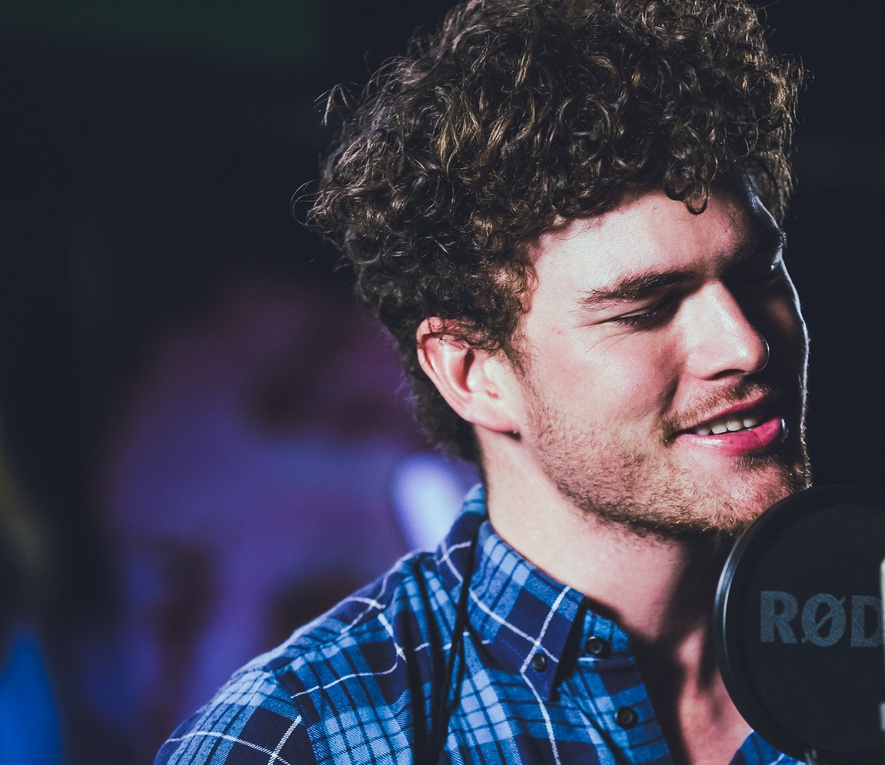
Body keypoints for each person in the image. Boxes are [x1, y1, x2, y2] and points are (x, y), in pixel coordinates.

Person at [157, 1, 810, 763]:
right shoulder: (289, 740)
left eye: (759, 273)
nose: (745, 342)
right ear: (472, 372)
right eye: (648, 307)